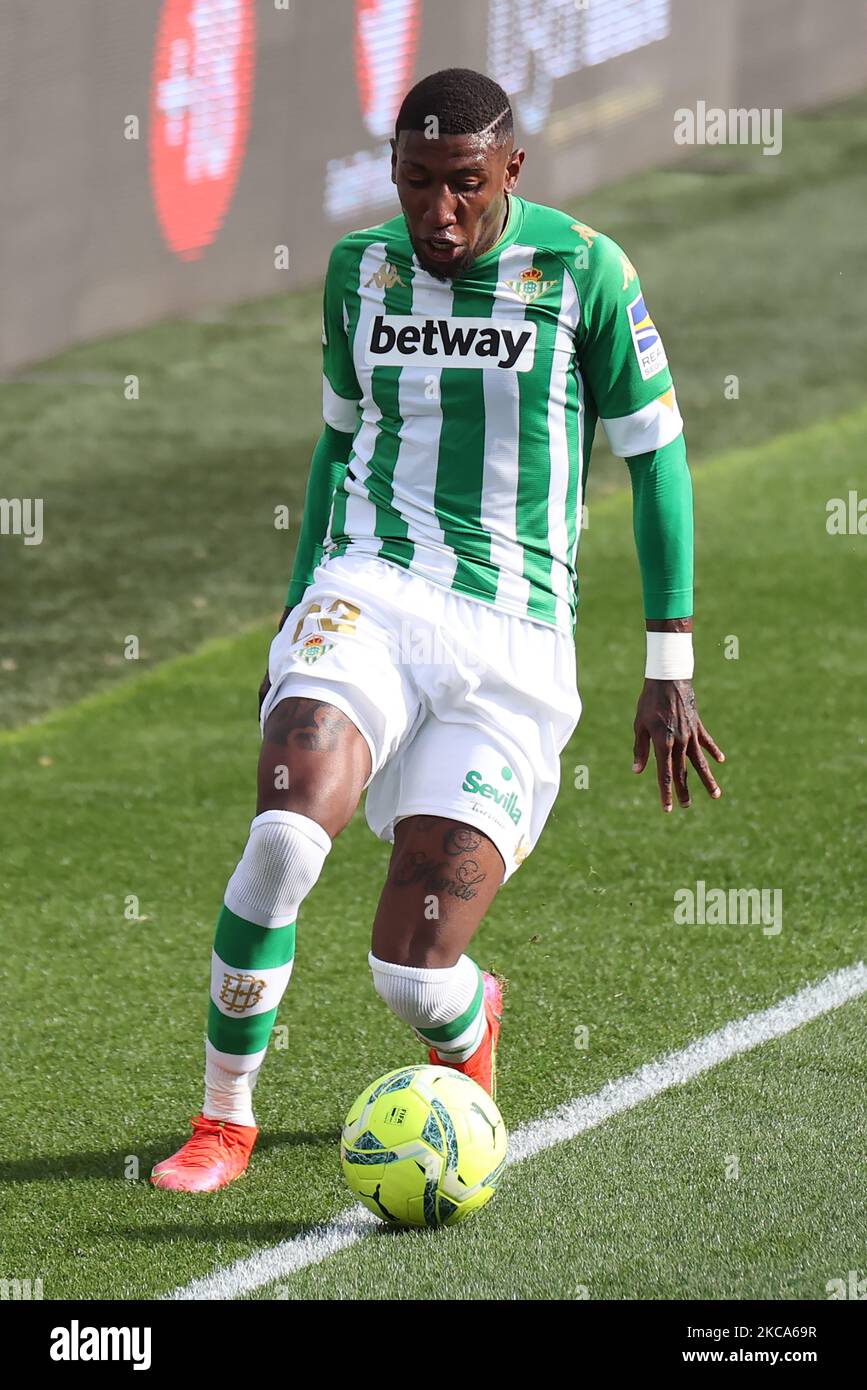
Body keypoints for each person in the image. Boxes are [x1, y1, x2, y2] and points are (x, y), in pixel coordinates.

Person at [151, 67, 724, 1192]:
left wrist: (670, 663)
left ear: (512, 169)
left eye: (464, 185)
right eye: (416, 185)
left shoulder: (585, 272)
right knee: (283, 835)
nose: (439, 215)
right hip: (370, 590)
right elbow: (336, 443)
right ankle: (225, 1117)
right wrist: (296, 605)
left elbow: (658, 461)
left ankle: (470, 1020)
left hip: (515, 641)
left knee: (410, 974)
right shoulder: (357, 273)